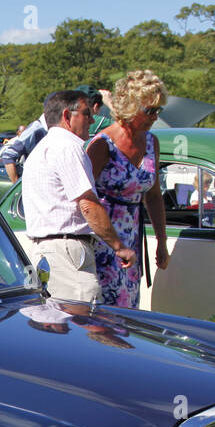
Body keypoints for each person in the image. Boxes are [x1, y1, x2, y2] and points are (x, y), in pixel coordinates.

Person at [21, 89, 135, 307]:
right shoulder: (69, 147)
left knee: (57, 327)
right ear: (67, 116)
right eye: (86, 113)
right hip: (67, 251)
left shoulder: (42, 148)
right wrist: (119, 247)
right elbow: (88, 205)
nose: (92, 120)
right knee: (82, 323)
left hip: (45, 250)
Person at [85, 69, 172, 309]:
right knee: (103, 314)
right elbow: (84, 197)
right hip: (103, 239)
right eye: (150, 111)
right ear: (130, 107)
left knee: (128, 310)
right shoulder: (103, 144)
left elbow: (154, 196)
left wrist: (161, 242)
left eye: (159, 110)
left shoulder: (152, 142)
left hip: (133, 238)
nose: (155, 117)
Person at [0, 109, 49, 182]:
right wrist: (17, 184)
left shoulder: (50, 129)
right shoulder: (36, 129)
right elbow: (8, 155)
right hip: (36, 183)